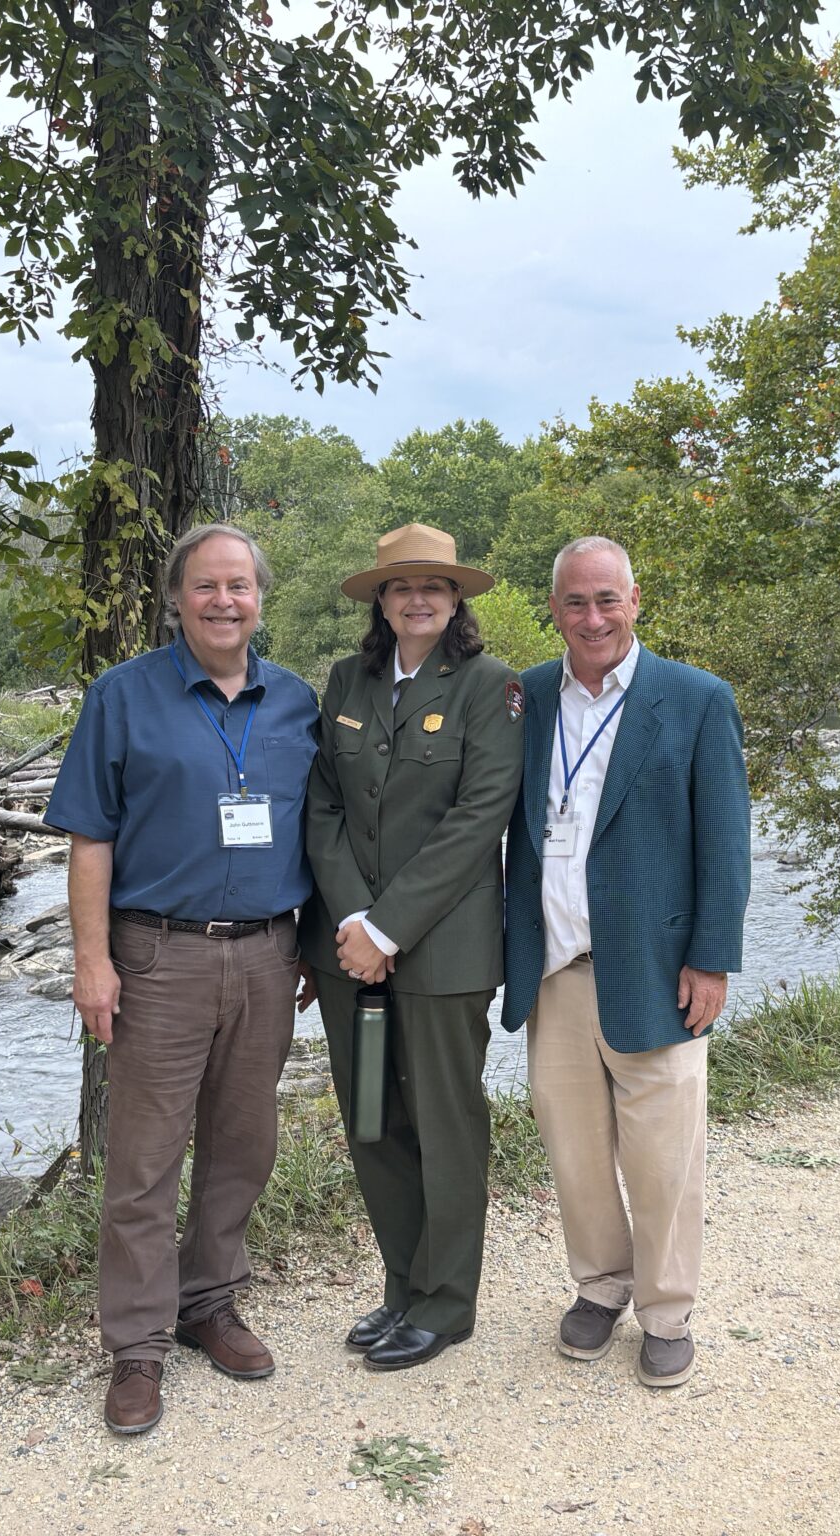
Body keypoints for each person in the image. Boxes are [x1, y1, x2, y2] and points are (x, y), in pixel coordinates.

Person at [43, 523, 320, 1437]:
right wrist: (93, 961)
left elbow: (322, 834)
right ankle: (136, 1347)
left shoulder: (297, 704)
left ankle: (208, 1303)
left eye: (239, 585)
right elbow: (91, 837)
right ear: (176, 598)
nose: (223, 601)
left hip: (270, 953)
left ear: (260, 596)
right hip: (158, 955)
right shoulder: (122, 698)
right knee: (144, 1161)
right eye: (206, 586)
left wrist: (313, 940)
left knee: (241, 1147)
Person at [501, 535, 751, 1389]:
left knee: (663, 1154)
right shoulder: (527, 697)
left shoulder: (694, 699)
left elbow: (727, 841)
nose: (593, 617)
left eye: (608, 600)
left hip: (657, 968)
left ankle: (669, 1308)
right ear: (555, 608)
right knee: (574, 1147)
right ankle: (600, 1288)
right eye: (576, 602)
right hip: (556, 972)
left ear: (635, 602)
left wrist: (712, 959)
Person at [301, 522, 524, 1370]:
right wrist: (355, 926)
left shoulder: (490, 687)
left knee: (443, 1121)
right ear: (381, 602)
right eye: (402, 587)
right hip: (347, 953)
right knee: (370, 1119)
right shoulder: (345, 679)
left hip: (443, 954)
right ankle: (402, 1285)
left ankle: (446, 1302)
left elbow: (479, 819)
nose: (418, 598)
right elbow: (323, 808)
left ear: (456, 598)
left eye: (435, 585)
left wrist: (388, 928)